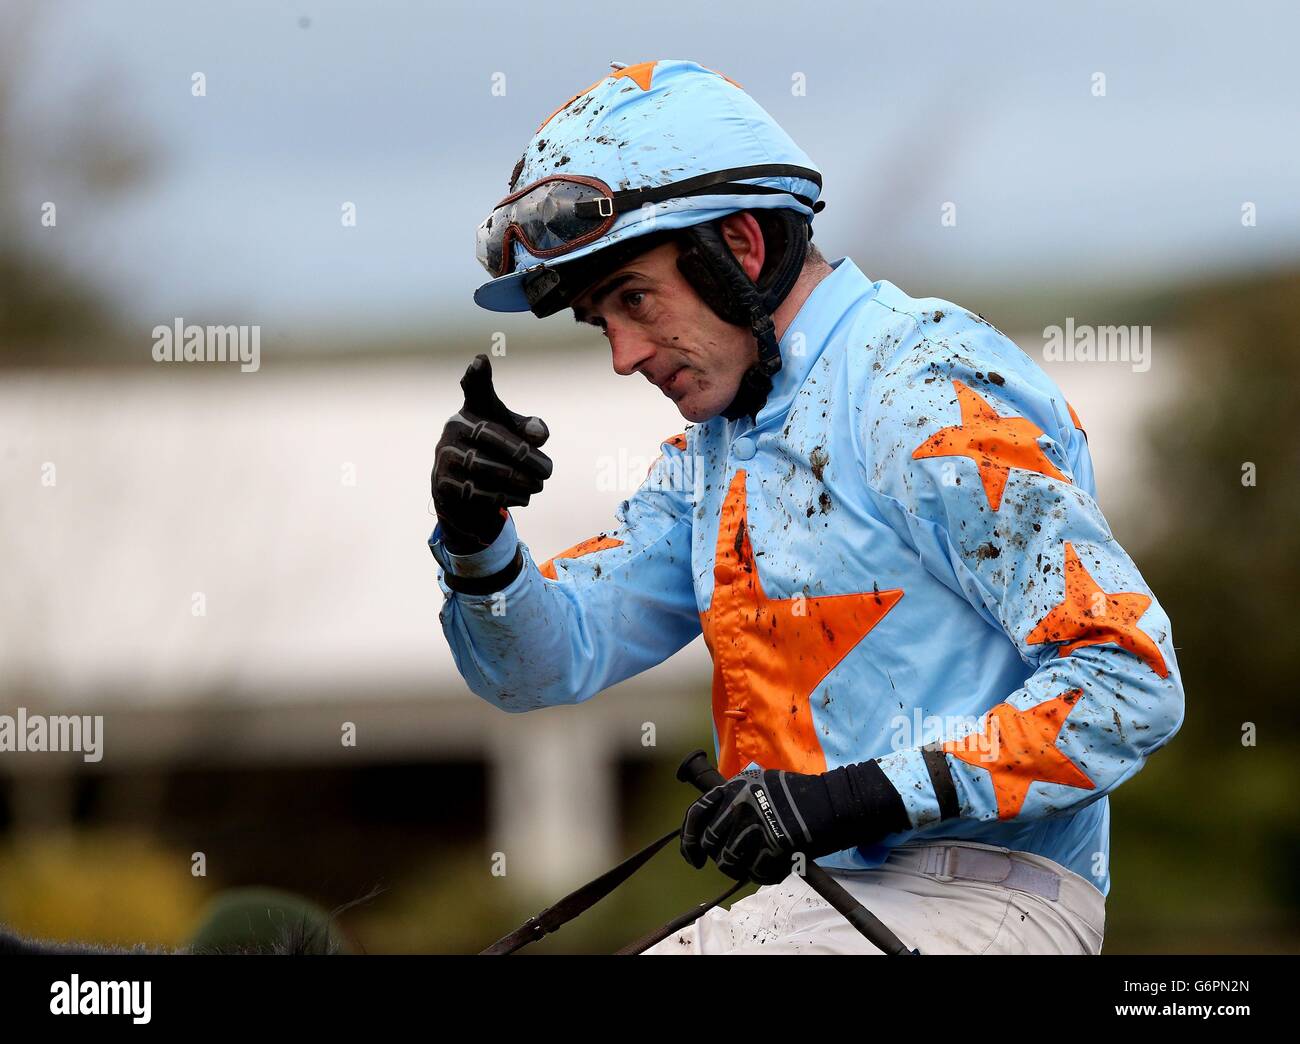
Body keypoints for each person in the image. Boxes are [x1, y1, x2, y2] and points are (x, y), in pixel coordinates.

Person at [428, 59, 1184, 954]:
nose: (624, 355)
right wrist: (477, 541)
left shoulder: (921, 390)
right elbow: (541, 668)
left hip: (990, 903)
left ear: (740, 250)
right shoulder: (710, 456)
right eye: (602, 321)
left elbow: (1131, 683)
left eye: (635, 299)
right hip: (815, 907)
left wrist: (856, 796)